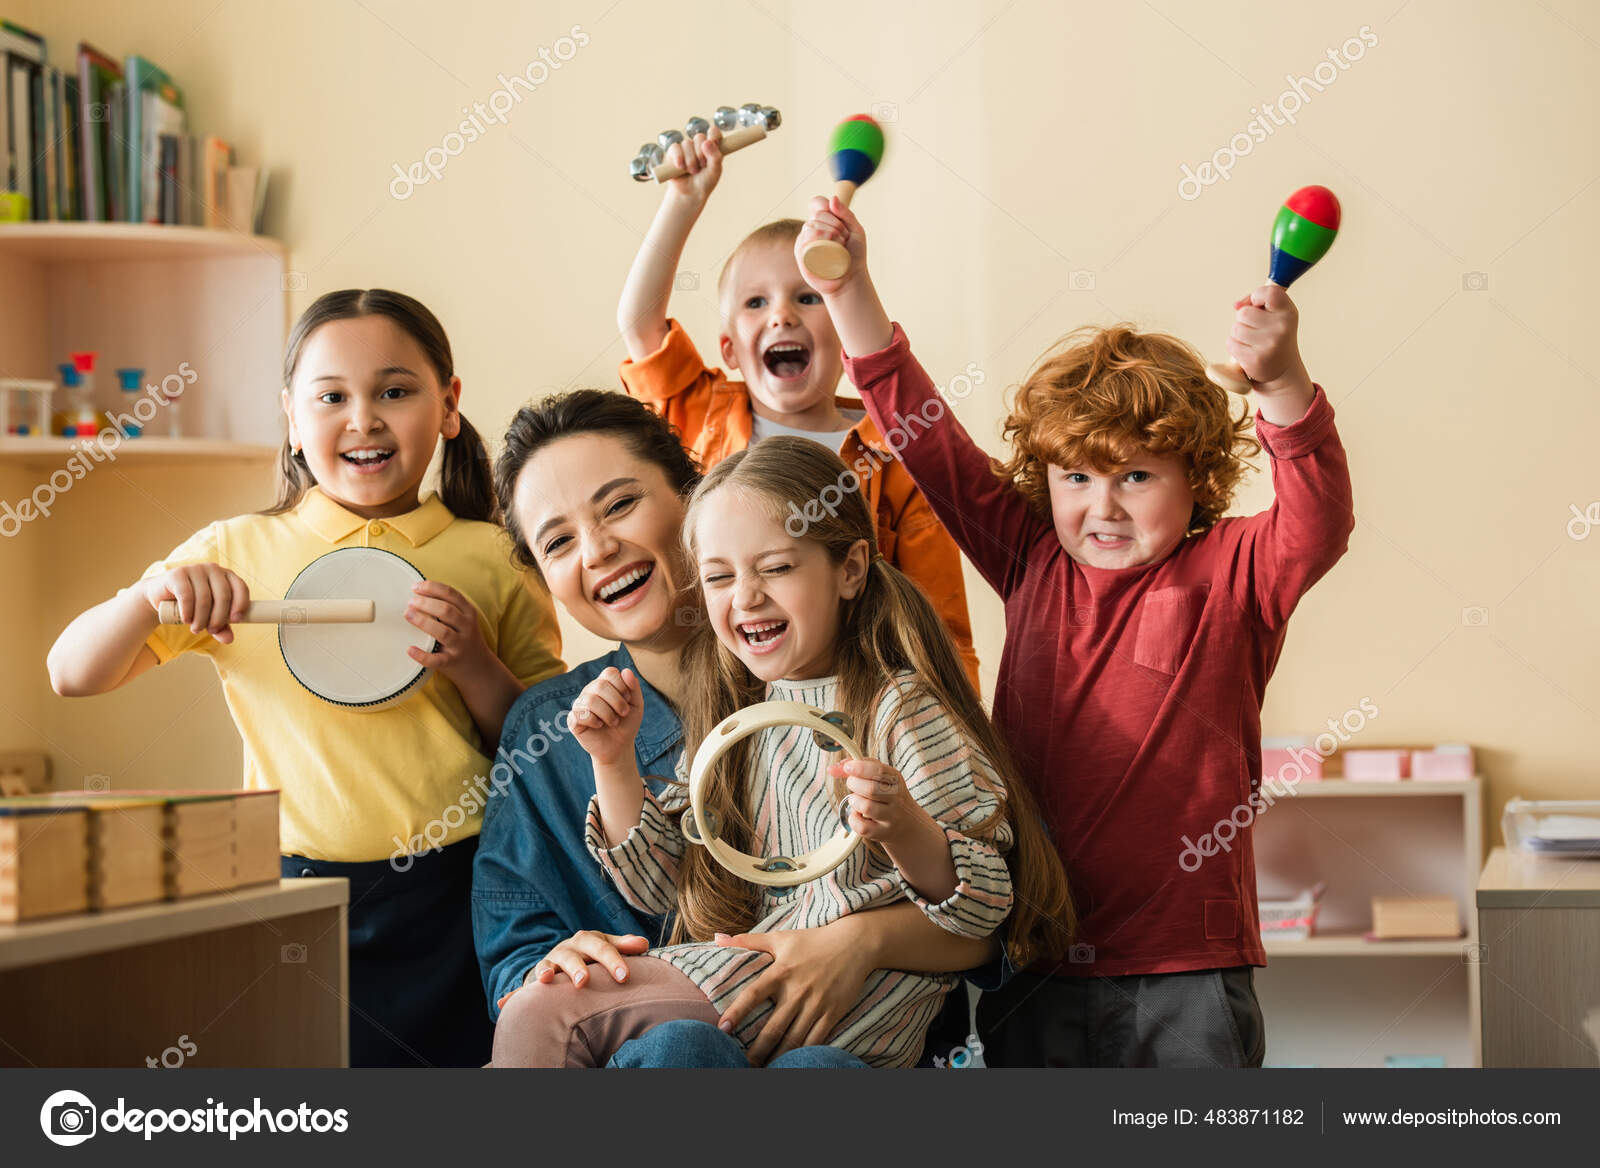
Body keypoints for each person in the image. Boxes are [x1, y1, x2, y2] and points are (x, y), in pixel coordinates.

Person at [796, 194, 1353, 1067]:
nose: (1101, 507)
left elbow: (1318, 520)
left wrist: (1281, 380)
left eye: (1135, 475)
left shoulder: (1235, 571)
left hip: (1188, 968)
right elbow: (922, 431)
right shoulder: (1027, 556)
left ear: (1196, 476)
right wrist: (850, 287)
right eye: (1075, 478)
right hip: (1037, 957)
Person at [47, 289, 564, 1068]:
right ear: (291, 416)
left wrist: (476, 666)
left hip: (461, 893)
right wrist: (151, 596)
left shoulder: (494, 556)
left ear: (449, 406)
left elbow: (544, 749)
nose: (363, 419)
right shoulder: (234, 552)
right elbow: (71, 673)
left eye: (395, 391)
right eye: (332, 397)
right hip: (292, 894)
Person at [488, 435, 1071, 1067]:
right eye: (718, 577)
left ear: (849, 569)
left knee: (545, 1010)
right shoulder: (736, 718)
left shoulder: (900, 707)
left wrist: (903, 827)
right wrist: (613, 760)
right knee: (667, 1047)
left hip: (842, 1000)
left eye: (777, 567)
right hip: (773, 1008)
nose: (745, 597)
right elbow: (659, 890)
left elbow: (988, 904)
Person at [615, 122, 980, 690]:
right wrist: (684, 201)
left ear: (842, 327)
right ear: (729, 350)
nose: (781, 315)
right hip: (728, 698)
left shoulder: (893, 451)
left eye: (808, 297)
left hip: (858, 702)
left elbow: (943, 625)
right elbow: (639, 326)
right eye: (756, 302)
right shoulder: (703, 414)